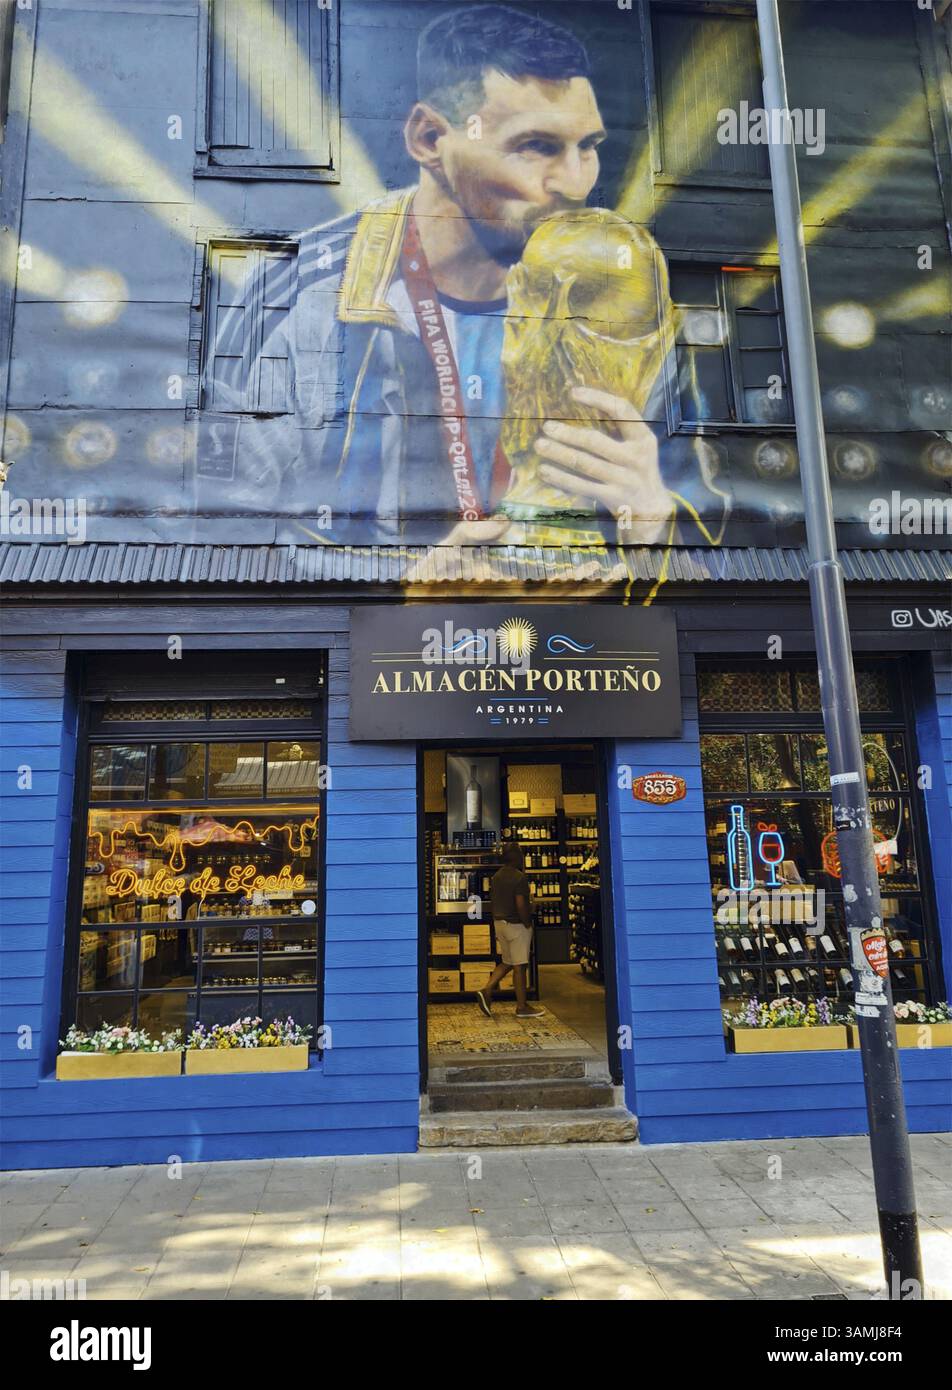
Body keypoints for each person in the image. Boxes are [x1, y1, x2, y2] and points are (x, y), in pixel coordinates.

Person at [217, 3, 729, 548]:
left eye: (588, 147)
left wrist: (654, 524)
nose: (576, 183)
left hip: (571, 626)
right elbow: (231, 541)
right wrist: (408, 586)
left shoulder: (619, 293)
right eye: (537, 146)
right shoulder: (306, 295)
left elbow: (713, 527)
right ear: (429, 139)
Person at [477, 844, 544, 1019]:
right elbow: (521, 904)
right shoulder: (519, 877)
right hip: (516, 925)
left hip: (499, 923)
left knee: (507, 961)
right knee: (519, 966)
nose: (522, 857)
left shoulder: (496, 876)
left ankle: (486, 989)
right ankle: (521, 1007)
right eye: (521, 854)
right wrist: (528, 922)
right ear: (515, 857)